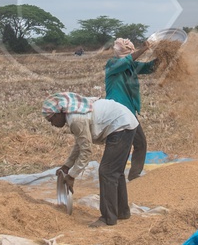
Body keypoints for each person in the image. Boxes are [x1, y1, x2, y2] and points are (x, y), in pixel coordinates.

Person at [42, 91, 139, 227]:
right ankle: (122, 211)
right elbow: (81, 143)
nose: (52, 124)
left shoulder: (75, 119)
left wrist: (72, 175)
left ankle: (107, 218)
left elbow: (86, 151)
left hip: (120, 125)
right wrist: (67, 166)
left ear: (59, 112)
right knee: (115, 172)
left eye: (51, 119)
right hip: (124, 121)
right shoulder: (73, 115)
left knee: (107, 172)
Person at [103, 37, 159, 180]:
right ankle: (118, 175)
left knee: (139, 143)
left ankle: (133, 175)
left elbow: (149, 67)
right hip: (117, 112)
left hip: (128, 112)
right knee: (124, 146)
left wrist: (165, 56)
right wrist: (145, 49)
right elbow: (126, 61)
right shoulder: (112, 64)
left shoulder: (131, 66)